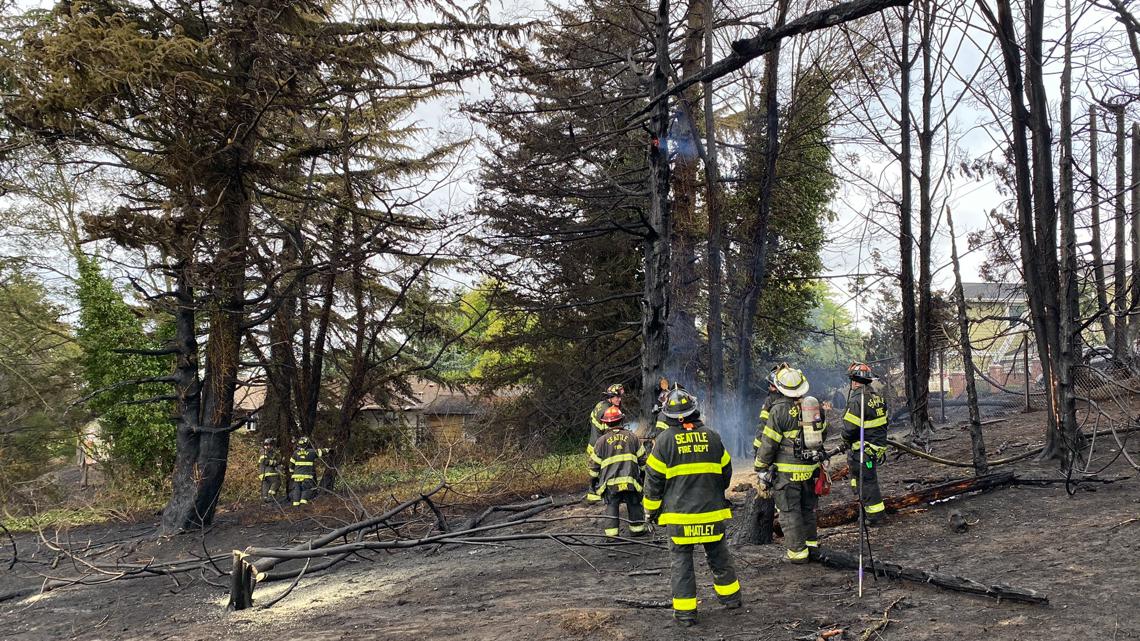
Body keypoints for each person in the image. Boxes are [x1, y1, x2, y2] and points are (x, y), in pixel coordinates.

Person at [643, 386, 741, 627]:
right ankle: (732, 599)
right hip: (711, 513)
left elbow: (653, 481)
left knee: (682, 564)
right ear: (693, 411)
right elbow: (726, 472)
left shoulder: (664, 441)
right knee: (719, 556)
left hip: (680, 518)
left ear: (668, 415)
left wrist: (651, 511)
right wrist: (714, 492)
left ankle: (686, 614)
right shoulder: (712, 436)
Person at [755, 367, 829, 563]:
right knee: (808, 509)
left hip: (787, 473)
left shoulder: (779, 410)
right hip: (810, 469)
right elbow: (824, 434)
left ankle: (798, 554)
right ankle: (811, 546)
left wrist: (760, 467)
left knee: (790, 512)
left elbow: (769, 442)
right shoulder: (815, 406)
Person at [588, 406, 649, 538]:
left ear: (606, 423)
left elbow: (594, 467)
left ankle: (612, 535)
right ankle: (637, 531)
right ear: (621, 420)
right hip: (630, 481)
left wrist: (592, 483)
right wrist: (643, 478)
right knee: (634, 504)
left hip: (610, 484)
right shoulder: (633, 437)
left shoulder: (601, 441)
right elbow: (643, 461)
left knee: (611, 507)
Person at [841, 362, 889, 524]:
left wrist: (844, 439)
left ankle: (875, 516)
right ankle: (864, 508)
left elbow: (849, 429)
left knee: (867, 482)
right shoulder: (877, 397)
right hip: (875, 447)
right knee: (862, 479)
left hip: (863, 449)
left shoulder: (857, 400)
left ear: (855, 381)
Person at [585, 383, 624, 502]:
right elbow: (610, 432)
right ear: (610, 397)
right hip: (600, 446)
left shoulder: (600, 405)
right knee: (601, 470)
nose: (619, 399)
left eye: (620, 397)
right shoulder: (609, 411)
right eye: (617, 397)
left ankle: (594, 492)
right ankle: (595, 493)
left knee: (596, 470)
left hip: (593, 444)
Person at [289, 436, 329, 506]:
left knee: (297, 489)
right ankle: (303, 504)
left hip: (296, 476)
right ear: (307, 444)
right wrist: (328, 450)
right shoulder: (311, 452)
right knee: (306, 489)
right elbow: (320, 452)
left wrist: (292, 472)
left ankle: (295, 504)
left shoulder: (295, 453)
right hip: (307, 476)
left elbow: (291, 465)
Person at [258, 438, 282, 502]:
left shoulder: (265, 451)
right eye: (271, 445)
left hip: (263, 474)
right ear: (267, 445)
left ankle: (266, 500)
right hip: (269, 472)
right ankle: (270, 496)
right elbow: (265, 461)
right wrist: (275, 462)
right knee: (277, 482)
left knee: (266, 487)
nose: (271, 447)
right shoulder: (264, 452)